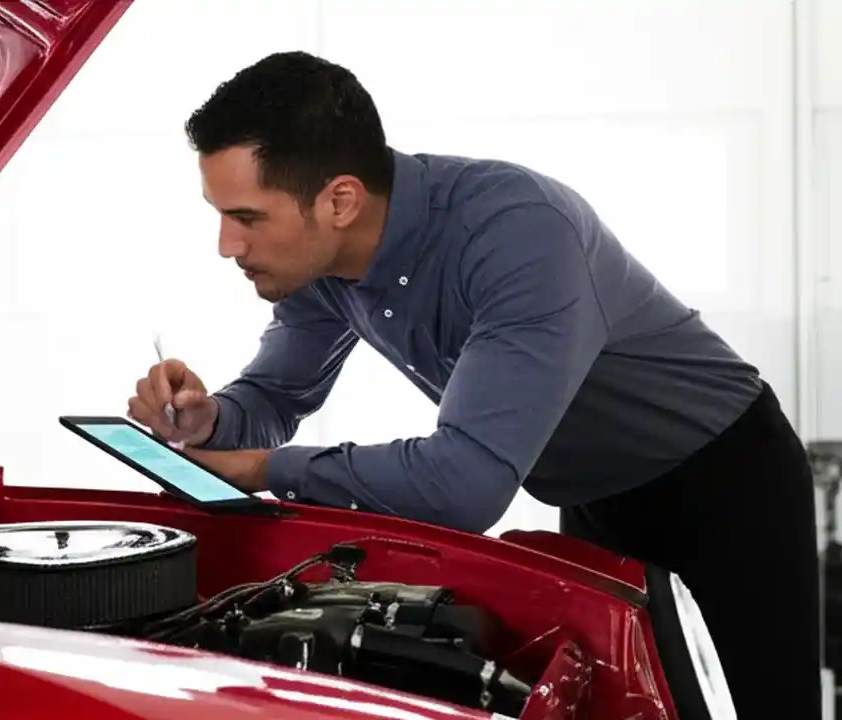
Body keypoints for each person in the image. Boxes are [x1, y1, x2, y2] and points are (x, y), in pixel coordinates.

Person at [126, 51, 821, 717]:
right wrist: (208, 420)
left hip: (728, 487)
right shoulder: (324, 267)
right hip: (594, 496)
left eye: (247, 217)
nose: (227, 245)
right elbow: (276, 398)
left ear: (339, 200)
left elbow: (463, 486)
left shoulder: (517, 232)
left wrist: (262, 468)